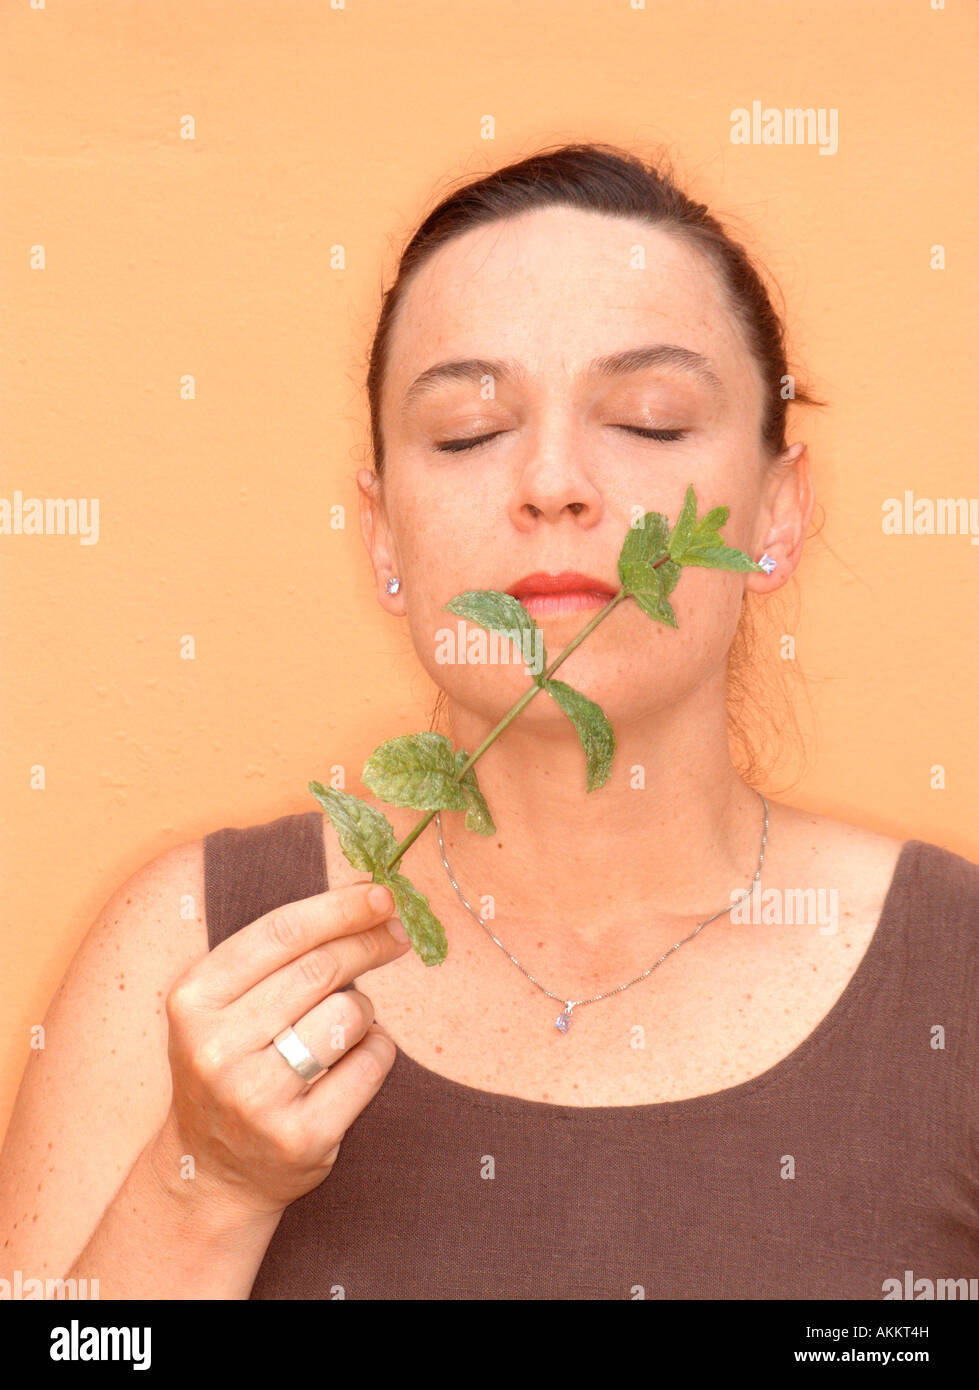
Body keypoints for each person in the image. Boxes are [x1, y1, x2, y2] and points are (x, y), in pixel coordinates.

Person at [2, 143, 976, 1301]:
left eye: (652, 421)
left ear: (774, 514)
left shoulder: (953, 977)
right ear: (381, 538)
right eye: (468, 431)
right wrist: (203, 1184)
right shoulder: (191, 951)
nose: (553, 480)